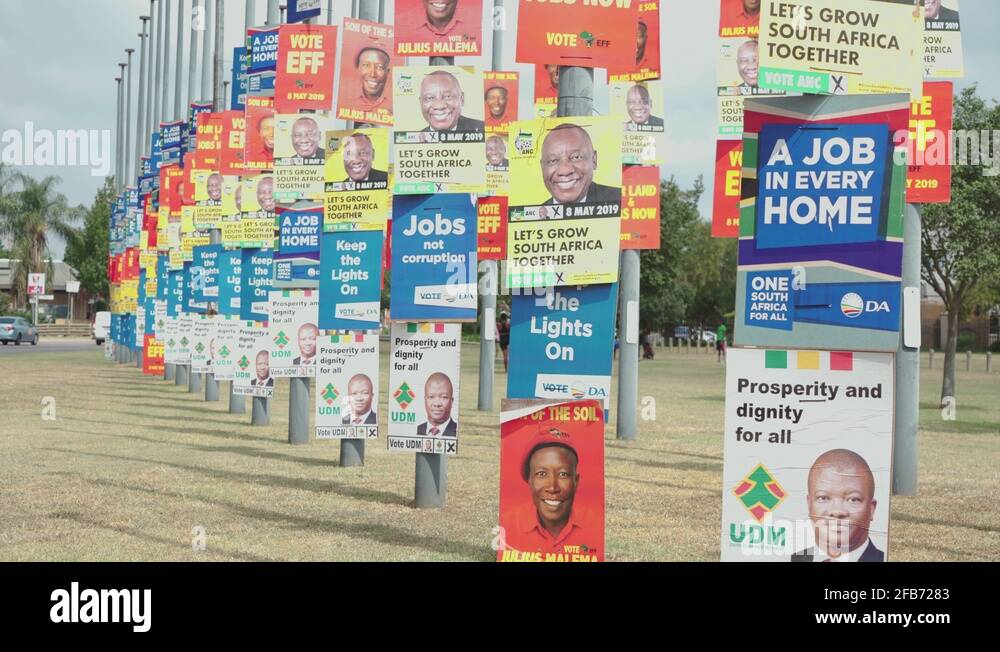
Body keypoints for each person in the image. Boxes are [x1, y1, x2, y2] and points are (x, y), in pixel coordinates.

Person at [501, 426, 599, 557]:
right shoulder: (508, 526)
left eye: (563, 474)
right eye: (542, 474)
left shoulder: (595, 526)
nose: (553, 488)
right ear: (530, 479)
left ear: (576, 481)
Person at [791, 449, 884, 562]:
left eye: (853, 499)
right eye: (823, 498)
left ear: (871, 509)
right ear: (809, 505)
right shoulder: (795, 558)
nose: (837, 511)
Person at [540, 124, 621, 206]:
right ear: (542, 167)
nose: (565, 171)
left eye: (576, 157)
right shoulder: (535, 215)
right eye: (553, 161)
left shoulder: (623, 202)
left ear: (594, 160)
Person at [418, 70, 484, 132]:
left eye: (448, 96)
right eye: (430, 98)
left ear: (462, 99)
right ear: (420, 102)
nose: (439, 106)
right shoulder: (416, 139)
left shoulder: (482, 130)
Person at [416, 372, 457, 437]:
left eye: (444, 397)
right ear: (425, 400)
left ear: (451, 401)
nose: (437, 404)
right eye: (431, 397)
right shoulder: (418, 430)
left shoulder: (457, 431)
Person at [353, 46, 391, 110]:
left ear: (387, 72)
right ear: (358, 68)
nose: (373, 74)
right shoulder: (347, 102)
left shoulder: (394, 105)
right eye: (366, 65)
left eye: (379, 67)